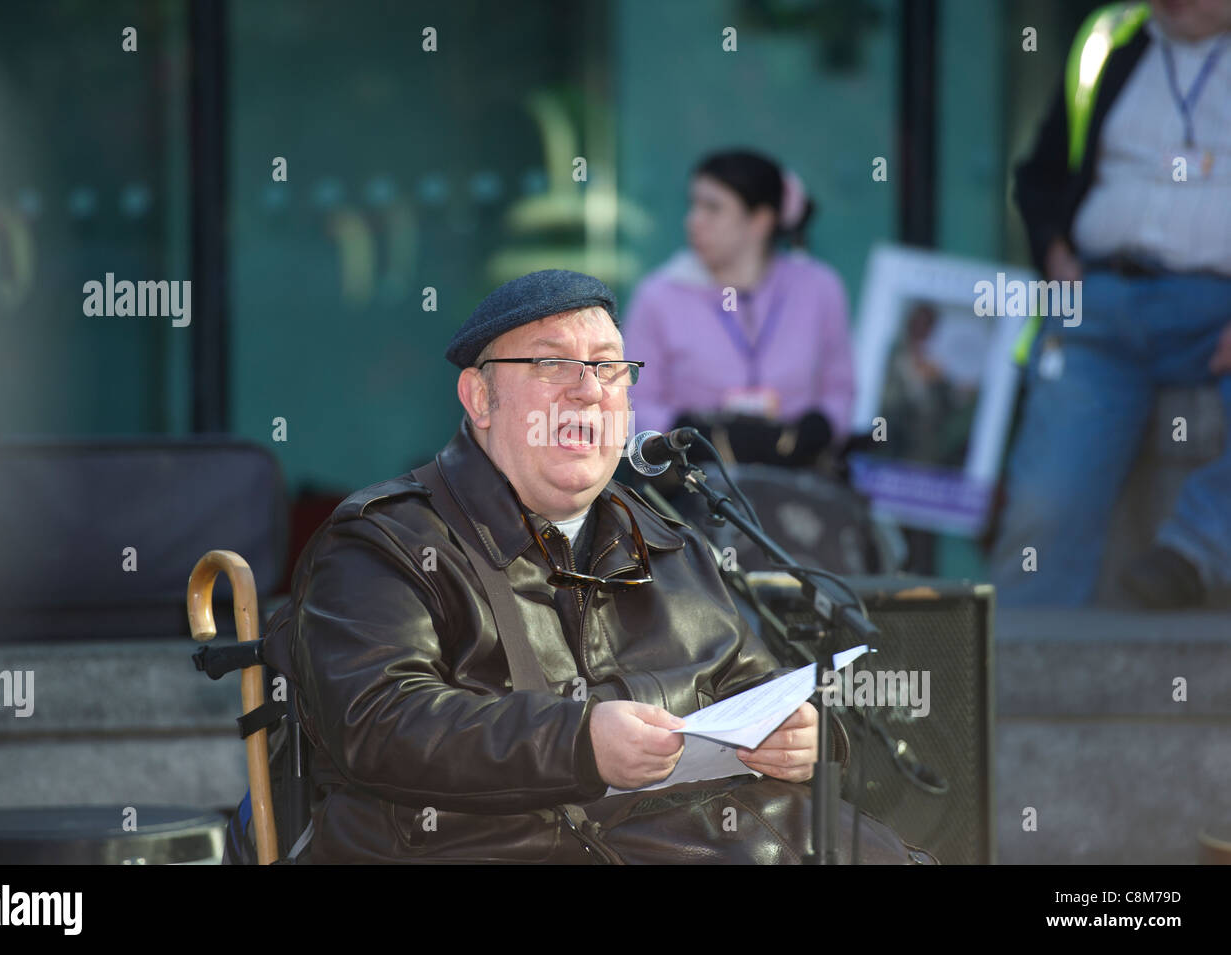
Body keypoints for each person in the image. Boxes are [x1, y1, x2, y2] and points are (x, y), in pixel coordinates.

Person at [260, 269, 871, 864]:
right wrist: (578, 743)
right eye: (552, 364)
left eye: (608, 366)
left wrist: (809, 740)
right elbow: (380, 721)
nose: (589, 389)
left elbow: (756, 693)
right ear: (480, 398)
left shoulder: (667, 543)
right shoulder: (383, 541)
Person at [992, 0, 1231, 607]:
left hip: (1216, 306)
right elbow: (1040, 173)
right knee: (1045, 509)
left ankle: (1192, 552)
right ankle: (1019, 685)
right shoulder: (1108, 40)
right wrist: (1054, 253)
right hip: (1100, 302)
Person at [621, 149, 856, 470]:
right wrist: (682, 432)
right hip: (692, 487)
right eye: (693, 205)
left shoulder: (819, 287)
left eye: (712, 208)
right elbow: (631, 403)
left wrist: (819, 429)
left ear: (760, 221)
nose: (692, 220)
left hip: (798, 485)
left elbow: (841, 391)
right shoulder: (659, 295)